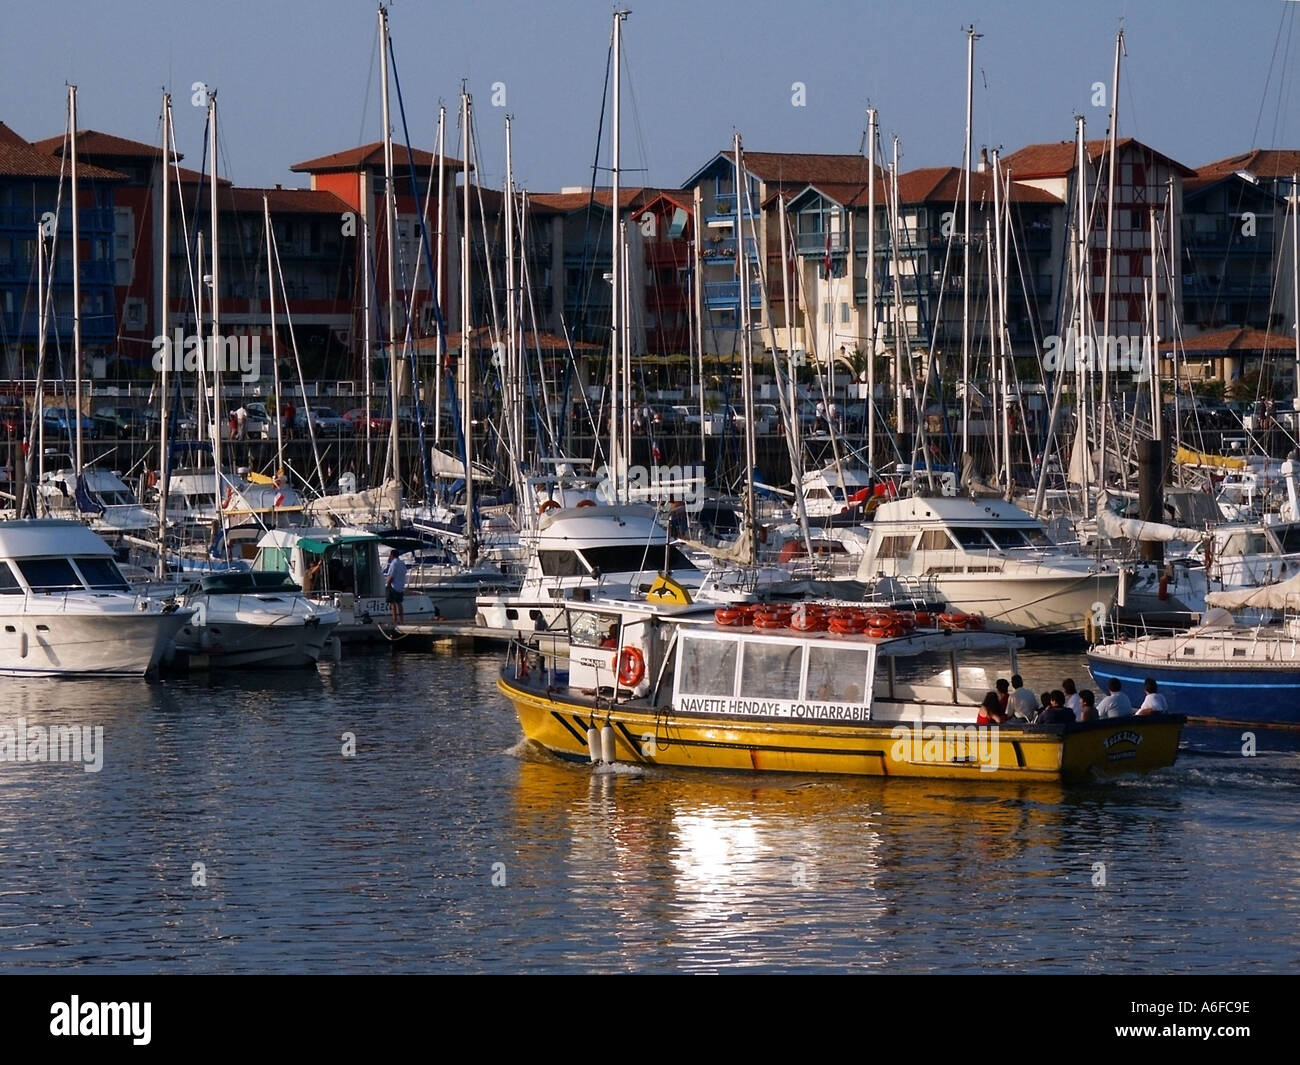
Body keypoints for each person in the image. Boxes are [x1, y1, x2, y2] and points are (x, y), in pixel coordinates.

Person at [384, 548, 407, 625]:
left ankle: (394, 620)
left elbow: (392, 575)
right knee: (399, 603)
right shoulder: (402, 563)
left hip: (393, 586)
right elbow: (404, 572)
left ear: (392, 555)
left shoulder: (394, 563)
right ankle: (401, 620)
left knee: (393, 604)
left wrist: (388, 583)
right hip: (400, 586)